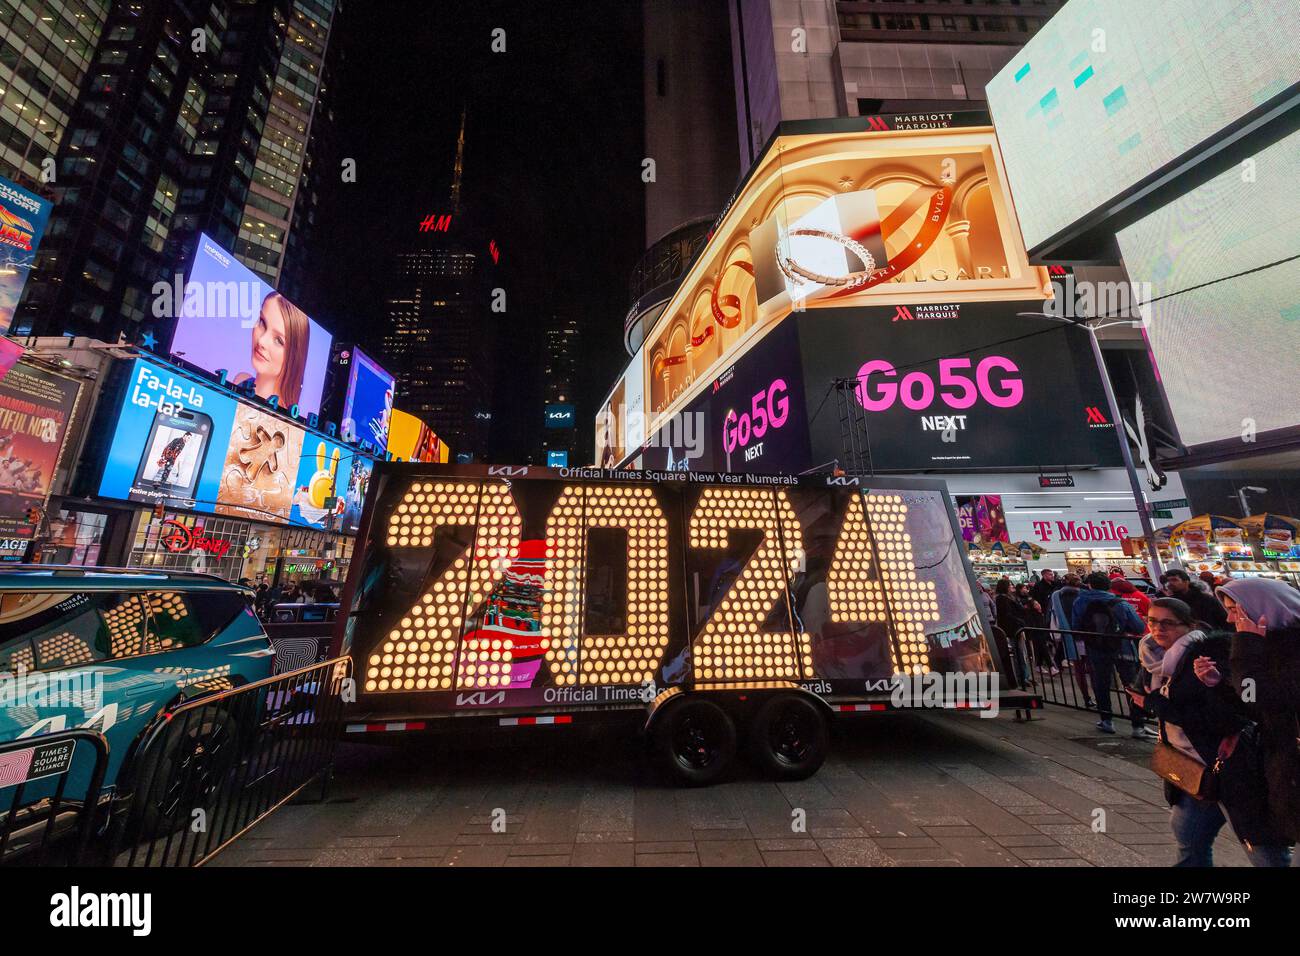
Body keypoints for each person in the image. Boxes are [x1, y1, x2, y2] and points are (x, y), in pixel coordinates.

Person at [1124, 598, 1285, 867]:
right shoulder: (1153, 657)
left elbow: (1223, 719)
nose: (1157, 629)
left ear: (1188, 626)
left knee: (1260, 847)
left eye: (1167, 623)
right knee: (1189, 839)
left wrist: (1155, 704)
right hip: (1191, 769)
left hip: (1229, 766)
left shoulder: (1208, 654)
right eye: (1152, 621)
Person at [1195, 578, 1300, 862]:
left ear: (1264, 608)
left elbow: (1256, 694)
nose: (1230, 618)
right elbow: (1257, 706)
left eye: (1236, 610)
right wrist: (1220, 685)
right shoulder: (1270, 647)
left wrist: (1246, 646)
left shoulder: (1286, 648)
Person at [1071, 571, 1152, 736]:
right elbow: (1138, 626)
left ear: (1089, 585)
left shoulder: (1080, 602)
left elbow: (1076, 626)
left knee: (1101, 684)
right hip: (1122, 647)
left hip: (1096, 648)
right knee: (1131, 685)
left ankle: (1107, 721)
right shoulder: (1120, 603)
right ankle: (1138, 725)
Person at [232, 292, 311, 407]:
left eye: (279, 340)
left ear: (294, 356)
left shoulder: (284, 419)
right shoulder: (241, 380)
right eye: (263, 322)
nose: (262, 341)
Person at [1051, 573, 1093, 706]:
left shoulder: (1056, 596)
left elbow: (1053, 615)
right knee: (1092, 667)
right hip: (1087, 634)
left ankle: (1087, 698)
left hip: (1069, 635)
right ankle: (1099, 696)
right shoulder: (1086, 594)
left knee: (1078, 668)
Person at [1161, 568, 1229, 630]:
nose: (1170, 583)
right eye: (1168, 581)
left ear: (1186, 582)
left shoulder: (1206, 599)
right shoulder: (1169, 602)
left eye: (1174, 580)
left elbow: (1224, 621)